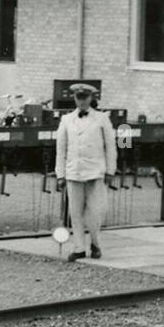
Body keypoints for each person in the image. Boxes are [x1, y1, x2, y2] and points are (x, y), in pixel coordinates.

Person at [54, 83, 116, 262]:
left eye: (85, 98)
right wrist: (60, 174)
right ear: (74, 98)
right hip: (74, 172)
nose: (82, 102)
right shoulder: (66, 120)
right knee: (75, 212)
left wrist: (111, 170)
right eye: (78, 98)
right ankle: (79, 247)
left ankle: (96, 243)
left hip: (95, 172)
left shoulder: (102, 119)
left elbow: (111, 147)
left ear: (91, 99)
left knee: (95, 212)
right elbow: (61, 150)